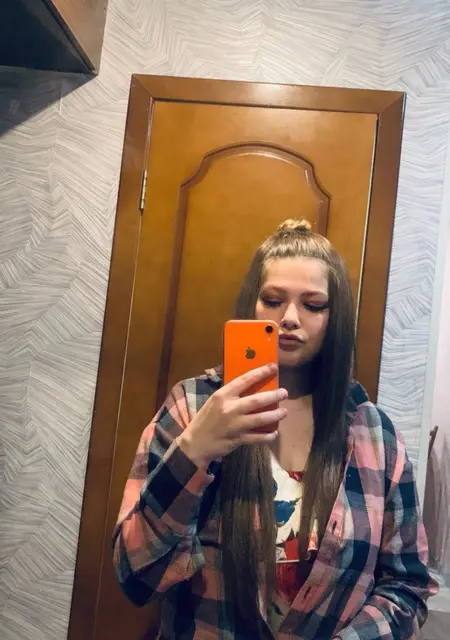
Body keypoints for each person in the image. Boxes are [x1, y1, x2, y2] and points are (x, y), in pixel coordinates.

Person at [112, 219, 436, 639]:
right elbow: (135, 576)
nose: (289, 318)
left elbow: (406, 586)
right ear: (252, 305)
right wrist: (194, 451)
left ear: (335, 318)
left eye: (314, 305)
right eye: (273, 300)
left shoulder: (376, 435)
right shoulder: (192, 407)